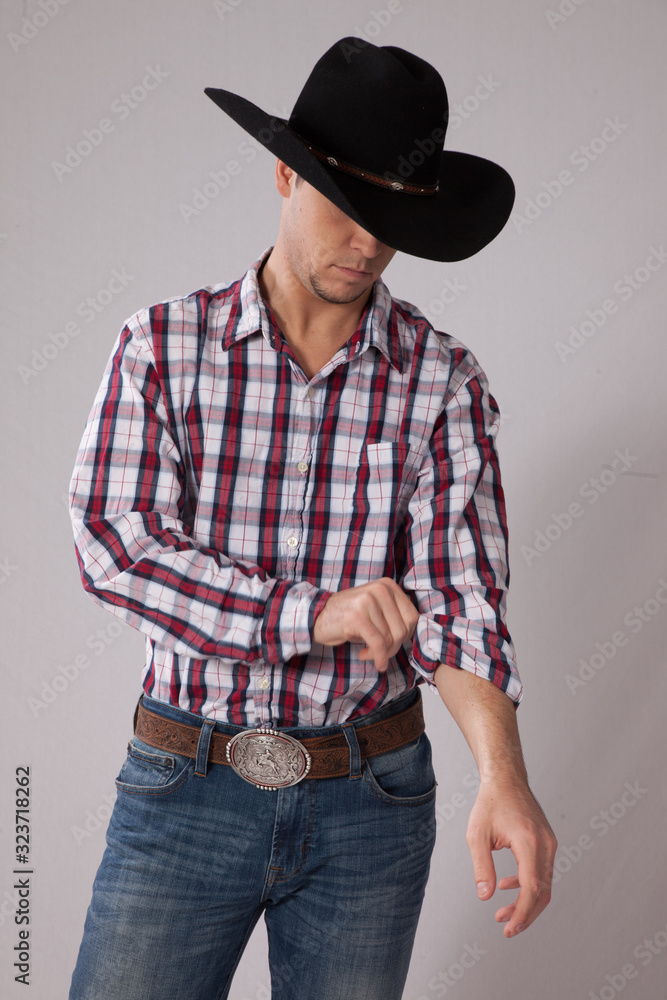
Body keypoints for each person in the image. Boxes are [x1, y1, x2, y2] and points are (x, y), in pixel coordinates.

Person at [67, 36, 556, 1000]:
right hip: (184, 785)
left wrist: (502, 774)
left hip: (372, 802)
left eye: (392, 218)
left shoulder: (442, 380)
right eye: (348, 207)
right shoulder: (161, 348)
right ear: (284, 174)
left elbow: (460, 600)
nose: (368, 244)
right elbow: (115, 545)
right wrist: (312, 612)